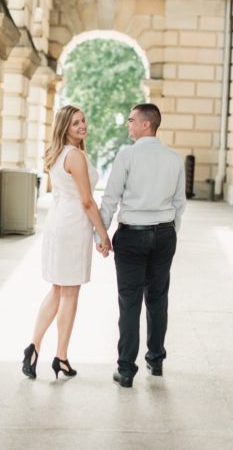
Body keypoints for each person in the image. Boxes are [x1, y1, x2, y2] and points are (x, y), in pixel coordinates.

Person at [97, 103, 186, 388]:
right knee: (158, 298)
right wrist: (171, 230)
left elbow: (110, 198)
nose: (128, 124)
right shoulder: (174, 159)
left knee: (130, 301)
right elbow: (179, 203)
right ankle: (156, 360)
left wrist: (101, 235)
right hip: (164, 235)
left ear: (146, 124)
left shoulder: (127, 156)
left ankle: (125, 370)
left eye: (131, 120)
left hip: (132, 236)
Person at [22, 105, 112, 380]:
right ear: (64, 127)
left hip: (58, 223)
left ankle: (33, 347)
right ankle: (60, 357)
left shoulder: (57, 153)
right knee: (69, 293)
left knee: (58, 290)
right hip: (72, 226)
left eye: (83, 121)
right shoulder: (74, 156)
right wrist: (103, 234)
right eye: (75, 123)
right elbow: (86, 200)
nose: (82, 126)